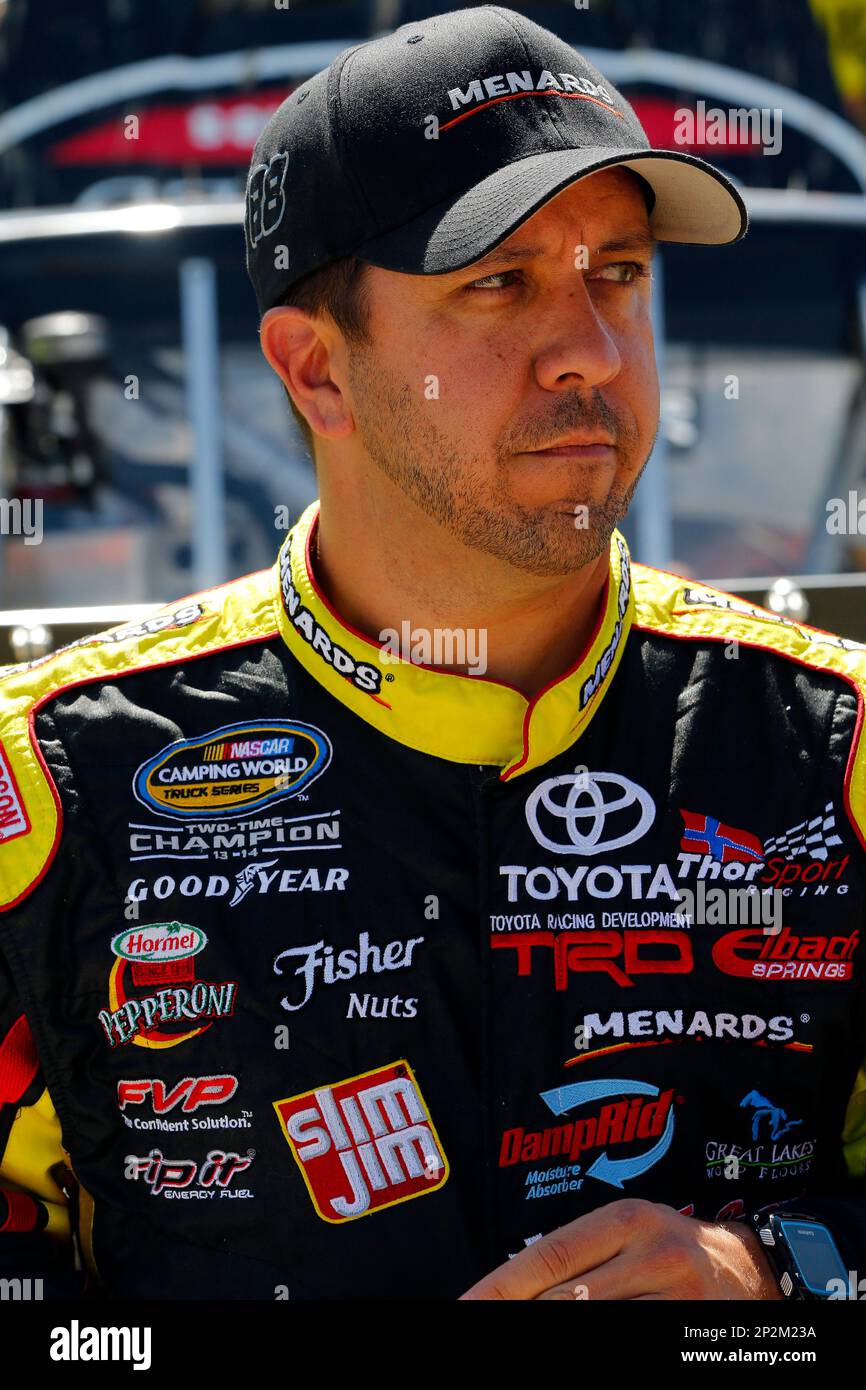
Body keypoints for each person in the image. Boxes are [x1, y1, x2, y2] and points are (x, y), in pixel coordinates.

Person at [1, 4, 864, 1301]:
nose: (589, 347)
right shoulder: (44, 782)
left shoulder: (838, 747)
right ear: (315, 371)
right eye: (497, 282)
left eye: (616, 272)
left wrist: (774, 1274)